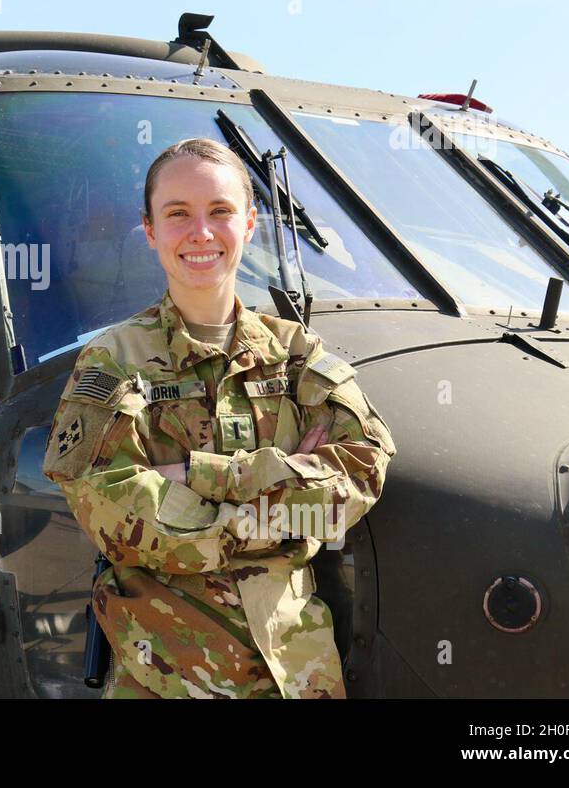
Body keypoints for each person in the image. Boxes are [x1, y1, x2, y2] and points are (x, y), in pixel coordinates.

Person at [42, 137, 396, 699]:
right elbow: (112, 513)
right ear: (151, 230)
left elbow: (362, 472)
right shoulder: (115, 360)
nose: (201, 233)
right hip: (166, 677)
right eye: (177, 214)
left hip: (298, 675)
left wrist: (201, 478)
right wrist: (281, 502)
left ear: (250, 224)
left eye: (221, 212)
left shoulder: (296, 352)